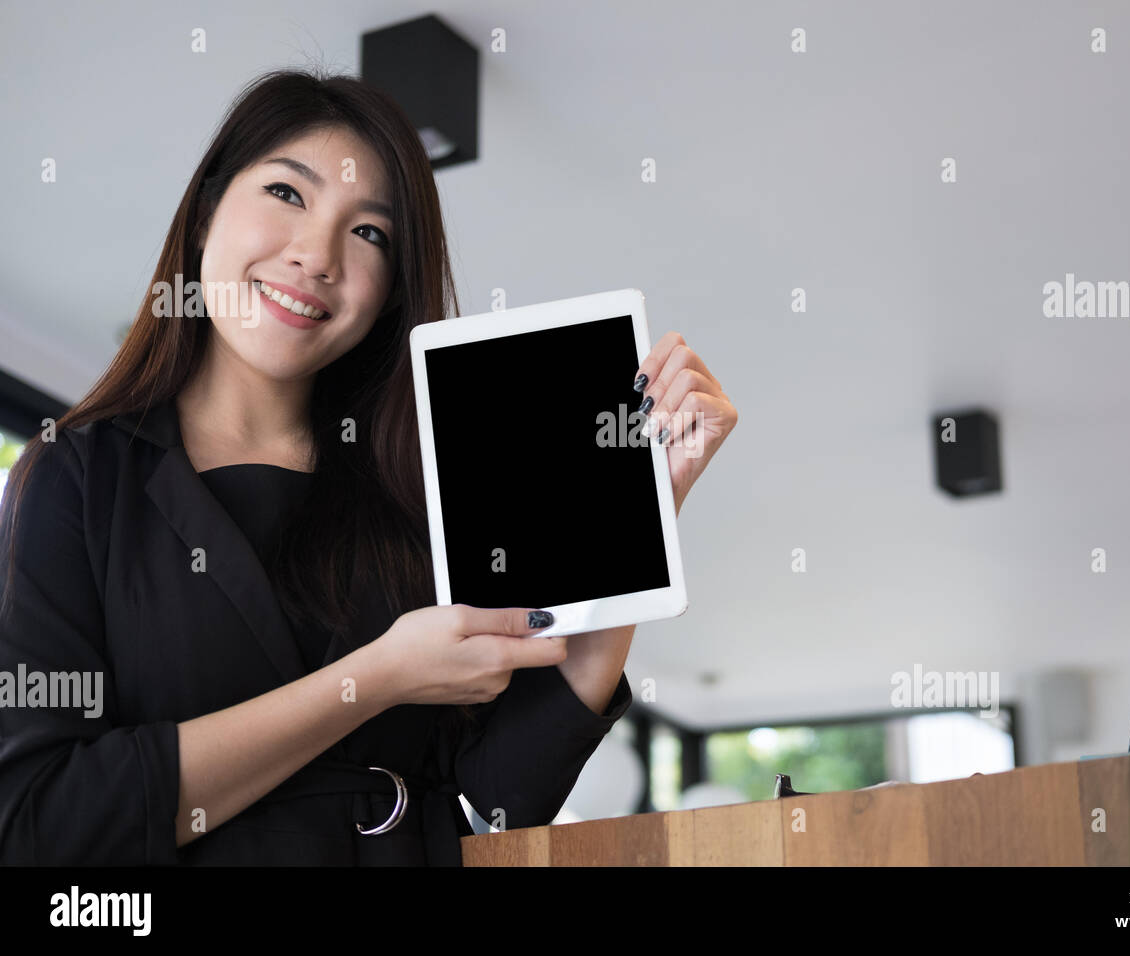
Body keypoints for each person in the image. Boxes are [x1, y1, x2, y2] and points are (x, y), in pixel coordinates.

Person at [0, 69, 737, 865]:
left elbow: (489, 804)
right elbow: (40, 825)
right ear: (208, 208)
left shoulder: (421, 492)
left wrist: (640, 518)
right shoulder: (76, 477)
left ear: (390, 292)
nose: (317, 256)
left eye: (370, 233)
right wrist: (375, 679)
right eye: (288, 193)